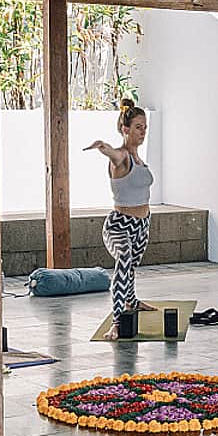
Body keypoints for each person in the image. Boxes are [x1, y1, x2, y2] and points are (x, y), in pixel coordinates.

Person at [84, 98, 156, 340]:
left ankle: (131, 301)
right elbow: (112, 154)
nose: (143, 131)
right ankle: (116, 322)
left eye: (145, 127)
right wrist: (103, 147)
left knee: (131, 267)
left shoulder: (138, 159)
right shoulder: (123, 156)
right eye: (138, 127)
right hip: (119, 224)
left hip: (142, 224)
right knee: (123, 262)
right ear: (125, 129)